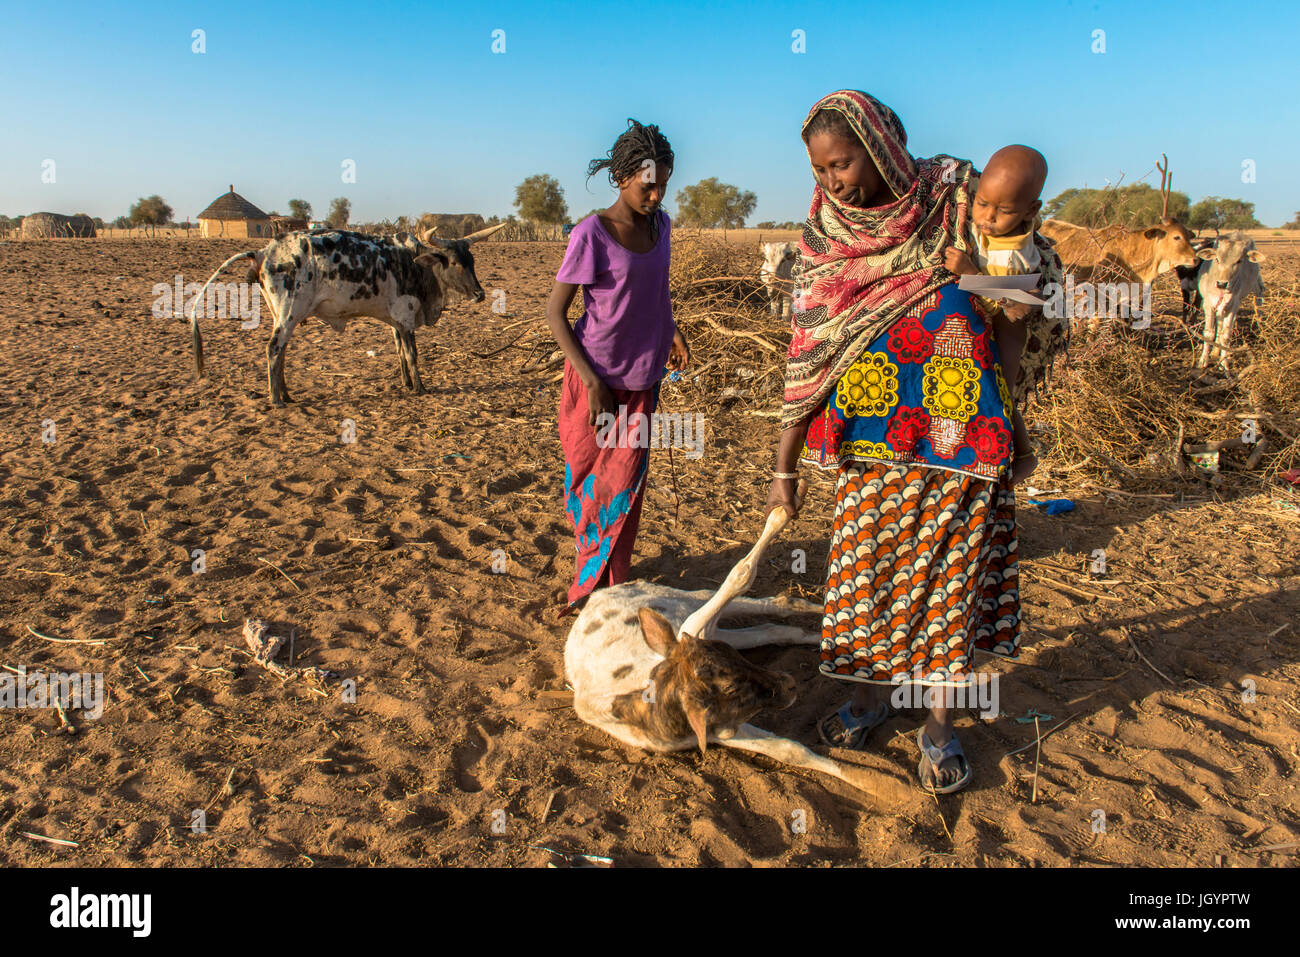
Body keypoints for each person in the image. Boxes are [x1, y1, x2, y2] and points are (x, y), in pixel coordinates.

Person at [766, 91, 1062, 794]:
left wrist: (973, 278)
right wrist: (784, 467)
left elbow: (1030, 294)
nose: (832, 181)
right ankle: (867, 703)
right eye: (820, 170)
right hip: (871, 443)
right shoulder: (826, 239)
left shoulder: (962, 202)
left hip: (965, 441)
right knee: (864, 587)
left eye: (842, 163)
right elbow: (806, 354)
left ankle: (937, 730)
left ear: (881, 145)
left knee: (948, 592)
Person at [546, 119, 690, 614]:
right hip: (596, 382)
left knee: (625, 488)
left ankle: (608, 587)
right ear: (622, 177)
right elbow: (555, 312)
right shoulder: (592, 234)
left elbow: (657, 290)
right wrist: (591, 382)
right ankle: (592, 580)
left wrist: (672, 330)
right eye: (648, 185)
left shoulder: (662, 227)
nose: (656, 196)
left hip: (642, 381)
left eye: (664, 186)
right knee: (591, 487)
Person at [943, 145, 1060, 484]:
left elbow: (1020, 298)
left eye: (1002, 210)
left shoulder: (1016, 253)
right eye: (982, 204)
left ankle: (1022, 455)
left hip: (1008, 329)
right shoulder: (996, 228)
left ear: (1030, 211)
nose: (988, 218)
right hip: (990, 320)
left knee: (1001, 394)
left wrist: (969, 273)